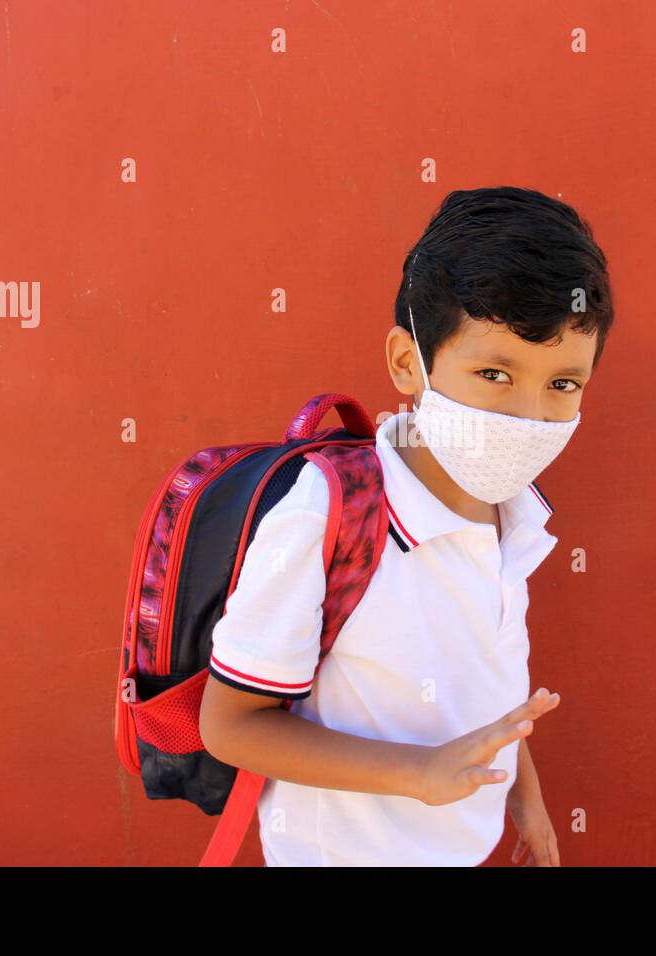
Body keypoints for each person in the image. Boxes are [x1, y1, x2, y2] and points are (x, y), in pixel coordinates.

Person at [198, 185, 615, 865]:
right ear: (406, 361)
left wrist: (524, 800)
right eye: (494, 373)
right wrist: (419, 775)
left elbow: (490, 684)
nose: (530, 417)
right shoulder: (329, 515)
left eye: (563, 385)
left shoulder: (512, 511)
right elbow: (229, 725)